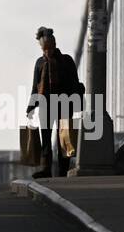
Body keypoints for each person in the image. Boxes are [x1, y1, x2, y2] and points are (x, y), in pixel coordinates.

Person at [26, 26, 84, 179]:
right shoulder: (39, 63)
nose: (48, 52)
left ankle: (62, 172)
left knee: (64, 140)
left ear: (54, 45)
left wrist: (76, 101)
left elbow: (74, 83)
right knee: (45, 139)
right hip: (45, 106)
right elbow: (35, 87)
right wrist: (31, 107)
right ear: (41, 48)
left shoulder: (66, 61)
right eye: (45, 49)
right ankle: (46, 169)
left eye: (50, 48)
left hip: (64, 105)